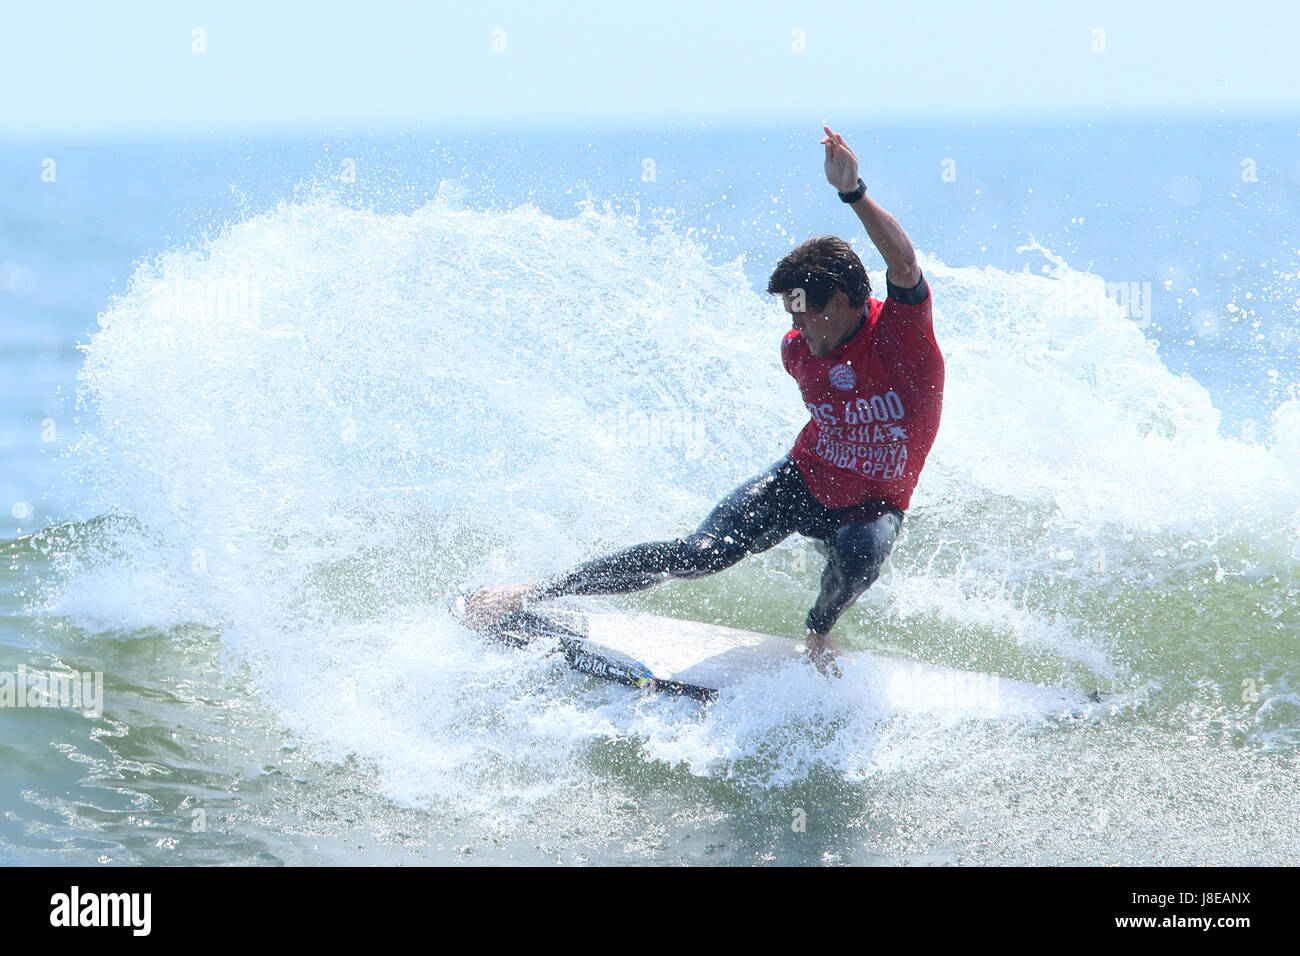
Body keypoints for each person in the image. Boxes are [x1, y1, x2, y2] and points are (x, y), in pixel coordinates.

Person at [464, 125, 944, 674]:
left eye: (803, 312)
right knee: (698, 553)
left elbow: (903, 265)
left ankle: (818, 633)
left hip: (873, 505)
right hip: (804, 480)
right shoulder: (799, 350)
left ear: (841, 300)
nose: (795, 326)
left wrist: (852, 192)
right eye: (788, 313)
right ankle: (535, 591)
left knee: (858, 555)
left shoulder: (901, 338)